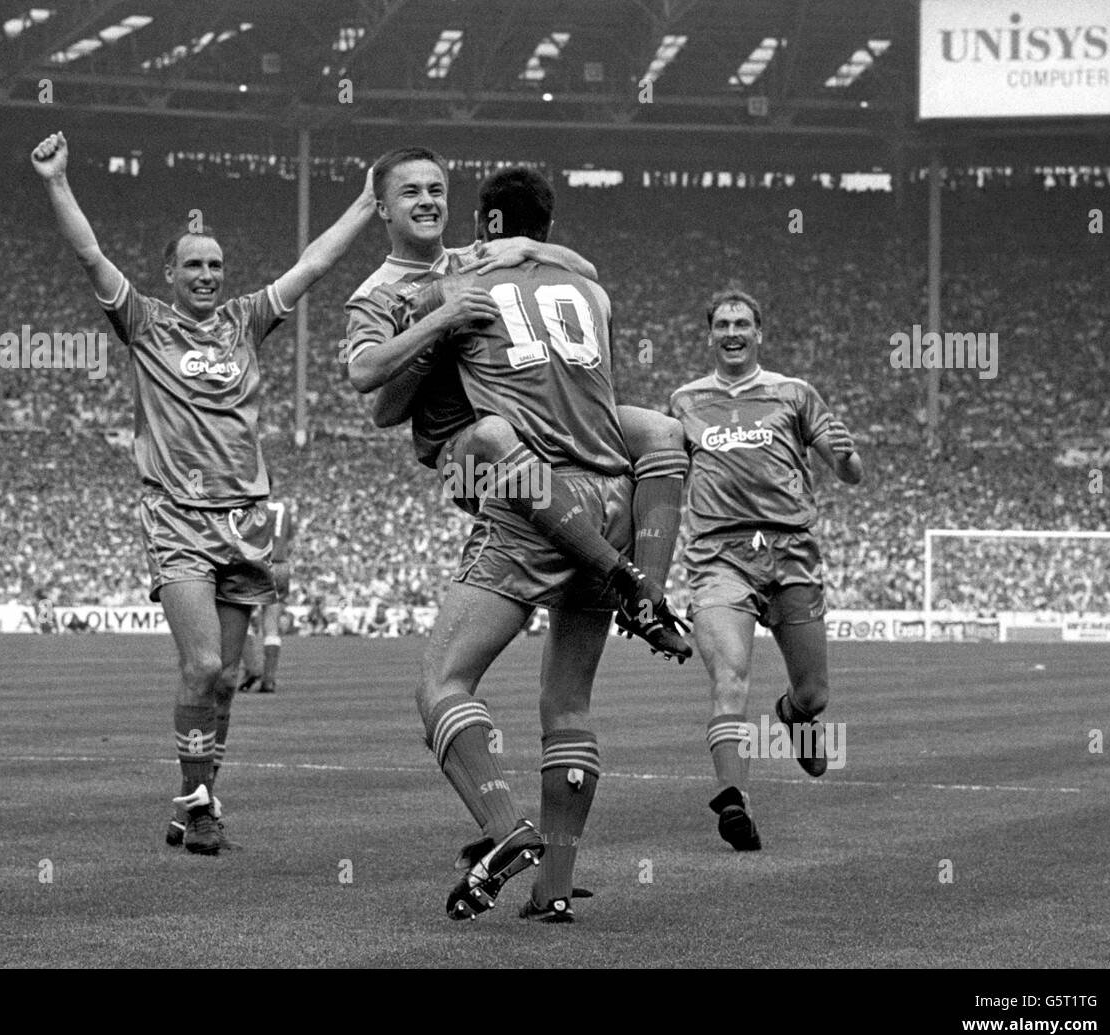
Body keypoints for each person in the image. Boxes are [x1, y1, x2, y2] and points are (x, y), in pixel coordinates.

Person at [32, 130, 376, 856]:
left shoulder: (247, 321)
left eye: (216, 264)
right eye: (193, 264)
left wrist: (368, 202)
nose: (208, 274)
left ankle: (199, 798)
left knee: (224, 685)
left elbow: (313, 264)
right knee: (204, 666)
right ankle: (198, 801)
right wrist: (58, 181)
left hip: (246, 520)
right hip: (177, 517)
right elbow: (91, 255)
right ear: (168, 271)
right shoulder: (144, 322)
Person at [386, 166, 639, 924]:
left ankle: (505, 831)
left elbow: (383, 393)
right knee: (568, 701)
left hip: (533, 494)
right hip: (612, 495)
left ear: (491, 225)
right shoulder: (591, 292)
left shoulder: (464, 278)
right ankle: (555, 888)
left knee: (442, 682)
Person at [345, 147, 690, 660]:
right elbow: (373, 390)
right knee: (494, 435)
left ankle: (647, 596)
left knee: (661, 430)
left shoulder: (475, 258)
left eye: (436, 190)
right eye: (410, 192)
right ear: (383, 208)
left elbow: (586, 267)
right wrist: (440, 319)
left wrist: (530, 245)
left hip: (538, 433)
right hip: (478, 455)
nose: (426, 202)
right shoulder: (378, 295)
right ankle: (616, 571)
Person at [670, 289, 863, 851]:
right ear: (710, 334)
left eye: (743, 323)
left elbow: (849, 472)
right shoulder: (684, 402)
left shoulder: (794, 394)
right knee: (728, 681)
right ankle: (733, 800)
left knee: (816, 692)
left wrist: (847, 456)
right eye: (723, 324)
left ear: (760, 332)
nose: (733, 332)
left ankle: (793, 715)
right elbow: (662, 477)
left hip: (791, 550)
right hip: (717, 554)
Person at [238, 495, 293, 693]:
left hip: (255, 564)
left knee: (241, 620)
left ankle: (252, 669)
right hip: (280, 566)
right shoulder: (283, 508)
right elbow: (289, 542)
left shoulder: (249, 506)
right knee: (271, 625)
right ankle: (269, 679)